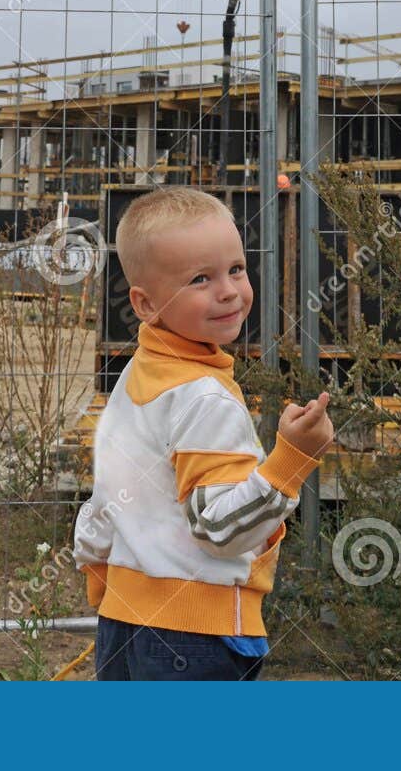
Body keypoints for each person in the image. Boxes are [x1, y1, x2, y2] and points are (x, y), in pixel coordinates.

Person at [72, 186, 333, 680]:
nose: (229, 291)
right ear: (145, 303)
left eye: (236, 268)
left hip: (124, 623)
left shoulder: (137, 375)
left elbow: (106, 501)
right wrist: (293, 459)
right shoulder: (205, 399)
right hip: (195, 633)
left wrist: (112, 586)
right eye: (200, 279)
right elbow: (220, 530)